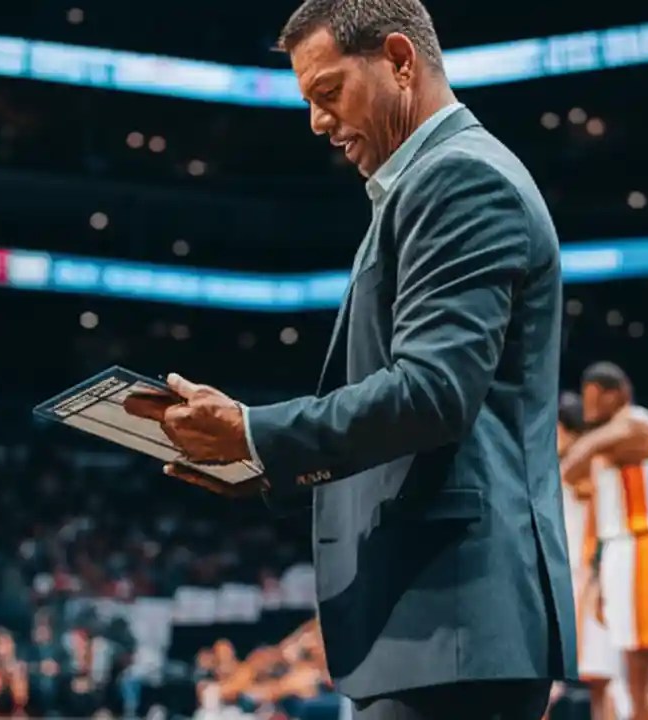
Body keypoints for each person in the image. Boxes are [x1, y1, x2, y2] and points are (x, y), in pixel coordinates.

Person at [124, 0, 574, 716]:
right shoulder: (426, 183)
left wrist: (254, 431)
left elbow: (431, 394)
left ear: (399, 60)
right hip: (440, 625)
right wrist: (263, 466)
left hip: (454, 617)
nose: (317, 121)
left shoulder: (459, 178)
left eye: (328, 93)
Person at [561, 362, 648, 720]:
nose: (587, 407)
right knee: (630, 661)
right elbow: (573, 474)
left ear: (617, 394)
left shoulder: (637, 420)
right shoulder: (611, 442)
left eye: (592, 397)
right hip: (619, 549)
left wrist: (584, 445)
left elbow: (575, 462)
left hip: (646, 542)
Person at [556, 392, 629, 720]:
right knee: (544, 679)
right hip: (561, 578)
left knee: (605, 676)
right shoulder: (551, 471)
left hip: (591, 576)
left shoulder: (594, 469)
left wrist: (597, 577)